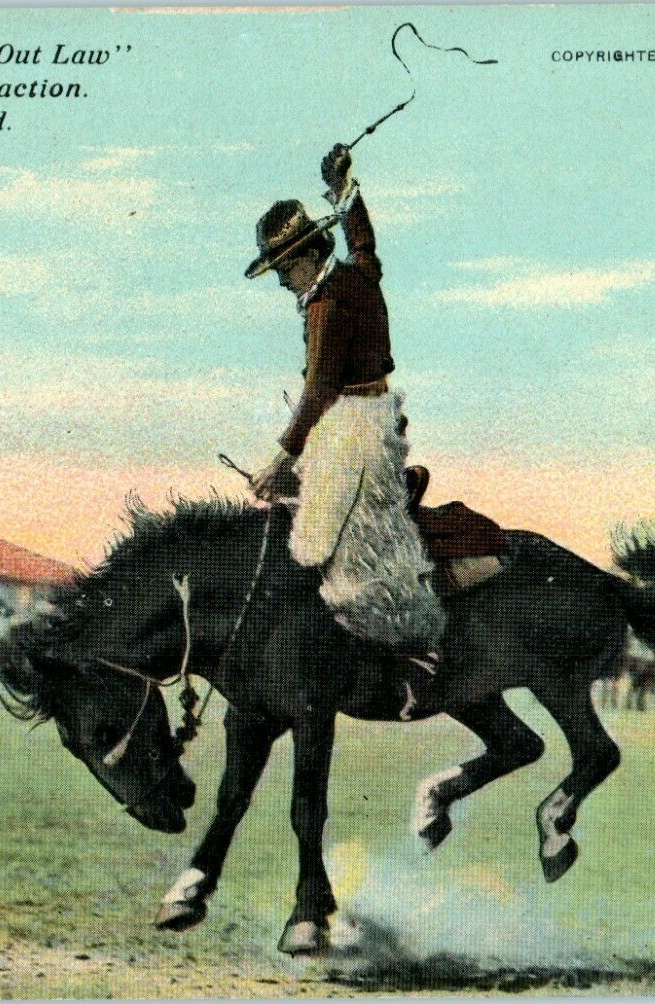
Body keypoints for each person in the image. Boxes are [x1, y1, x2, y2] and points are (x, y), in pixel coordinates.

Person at [245, 144, 445, 718]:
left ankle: (410, 659)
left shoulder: (327, 305)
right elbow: (366, 245)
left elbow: (319, 389)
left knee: (319, 545)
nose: (283, 281)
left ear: (308, 256)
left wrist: (280, 456)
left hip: (354, 425)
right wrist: (345, 190)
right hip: (365, 419)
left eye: (285, 268)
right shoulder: (357, 274)